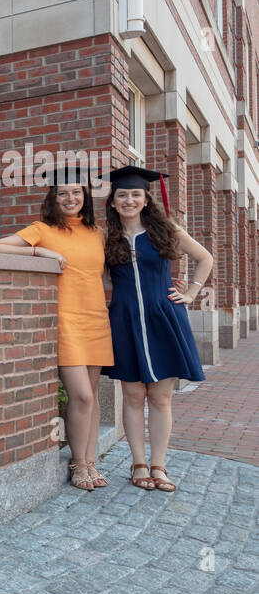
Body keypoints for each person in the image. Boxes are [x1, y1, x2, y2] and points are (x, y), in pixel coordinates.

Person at [0, 167, 113, 490]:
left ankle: (90, 461)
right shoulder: (42, 229)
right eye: (63, 194)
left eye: (76, 192)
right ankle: (77, 461)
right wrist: (38, 250)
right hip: (66, 320)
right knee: (80, 395)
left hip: (96, 319)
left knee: (93, 397)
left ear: (85, 196)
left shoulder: (97, 232)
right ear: (53, 199)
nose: (70, 198)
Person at [102, 165, 212, 492]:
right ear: (113, 200)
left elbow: (204, 258)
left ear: (146, 198)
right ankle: (138, 465)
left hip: (163, 317)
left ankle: (159, 466)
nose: (129, 200)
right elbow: (105, 277)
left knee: (161, 397)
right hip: (125, 319)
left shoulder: (166, 230)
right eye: (122, 195)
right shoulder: (108, 237)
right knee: (133, 395)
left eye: (135, 194)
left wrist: (190, 292)